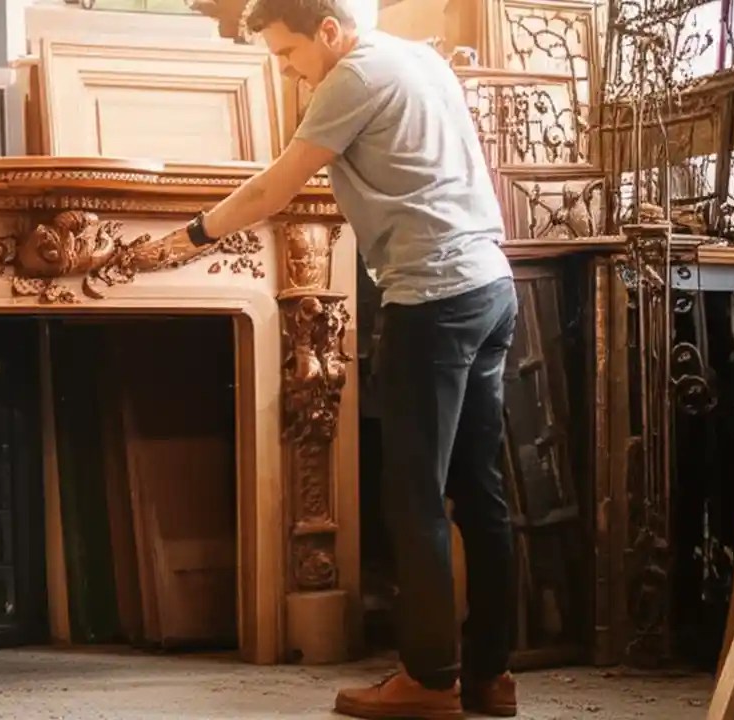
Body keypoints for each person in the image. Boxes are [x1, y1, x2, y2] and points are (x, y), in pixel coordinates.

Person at [150, 1, 519, 718]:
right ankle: (489, 677)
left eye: (288, 55)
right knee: (480, 492)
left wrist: (192, 234)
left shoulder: (354, 75)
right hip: (489, 286)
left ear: (328, 30)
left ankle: (430, 680)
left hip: (434, 300)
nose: (287, 72)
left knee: (414, 499)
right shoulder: (418, 57)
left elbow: (274, 186)